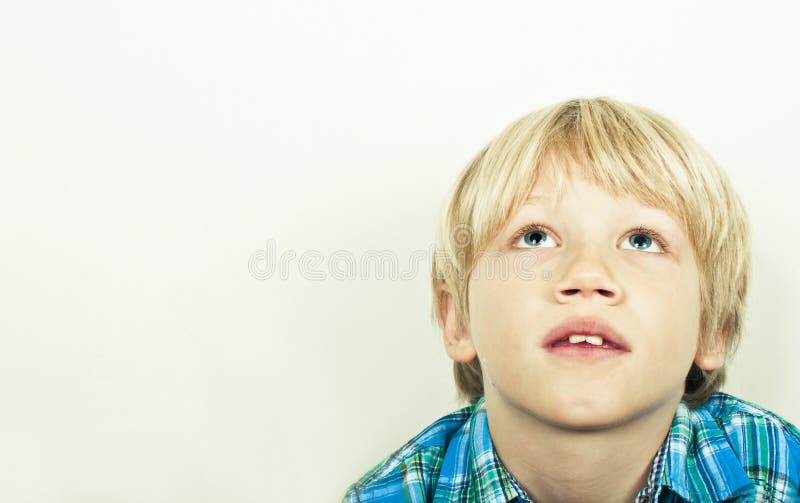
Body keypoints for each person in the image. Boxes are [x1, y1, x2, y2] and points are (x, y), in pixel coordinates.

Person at [342, 97, 800, 502]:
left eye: (641, 240)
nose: (587, 275)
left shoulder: (783, 471)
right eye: (536, 237)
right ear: (458, 319)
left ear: (712, 326)